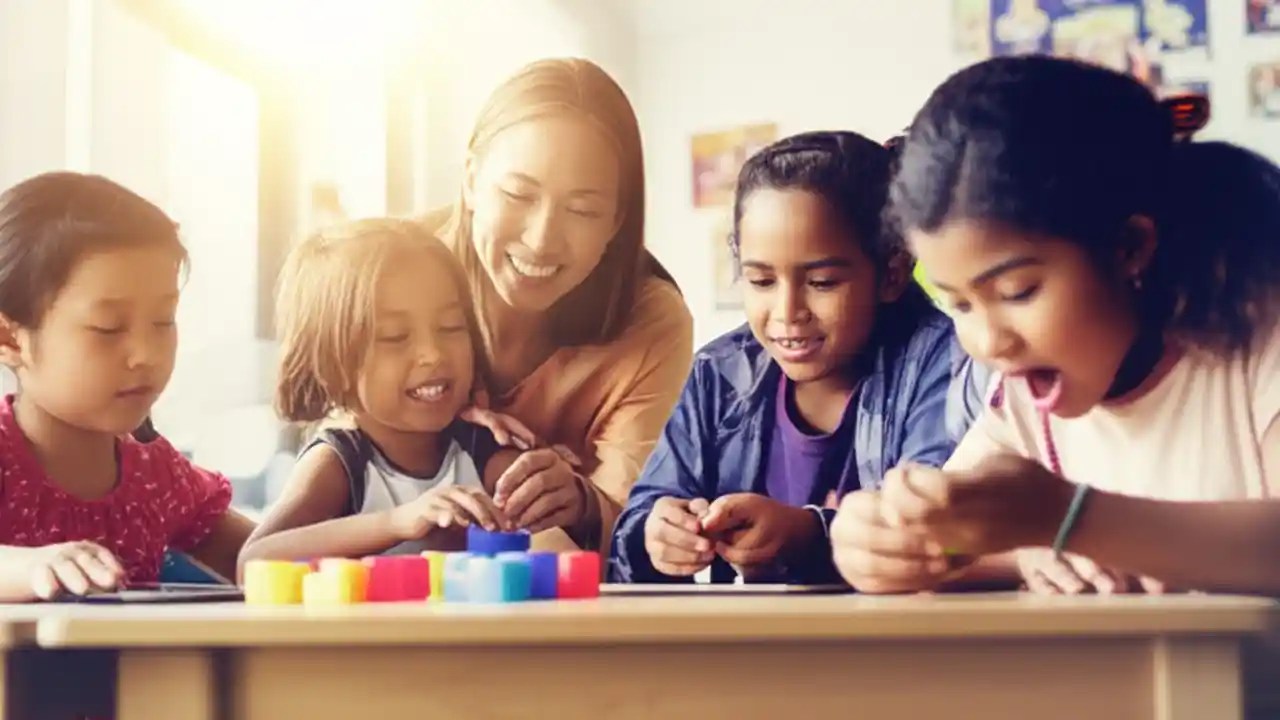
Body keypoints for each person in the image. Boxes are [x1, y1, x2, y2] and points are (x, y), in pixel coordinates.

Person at [830, 55, 1280, 597]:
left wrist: (1068, 519)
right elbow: (954, 535)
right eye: (959, 306)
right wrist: (878, 544)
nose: (989, 342)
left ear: (1129, 248)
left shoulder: (1259, 337)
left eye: (1017, 292)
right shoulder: (1023, 399)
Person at [610, 131, 958, 584]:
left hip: (895, 652)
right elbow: (640, 521)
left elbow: (936, 534)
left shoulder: (942, 366)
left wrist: (809, 534)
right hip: (745, 653)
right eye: (760, 281)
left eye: (822, 282)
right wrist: (654, 535)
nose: (787, 312)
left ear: (892, 272)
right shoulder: (720, 375)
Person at [424, 58, 694, 556]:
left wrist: (583, 502)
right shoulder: (397, 270)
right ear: (470, 180)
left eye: (582, 210)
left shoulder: (651, 318)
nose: (542, 240)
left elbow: (638, 514)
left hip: (557, 605)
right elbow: (338, 451)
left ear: (616, 220)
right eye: (517, 193)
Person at [0, 172, 253, 601]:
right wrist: (28, 567)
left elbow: (267, 556)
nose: (145, 354)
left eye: (163, 322)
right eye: (108, 328)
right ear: (11, 340)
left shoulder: (158, 476)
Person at [239, 220, 529, 565]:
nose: (432, 354)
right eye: (394, 336)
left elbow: (554, 532)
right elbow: (254, 561)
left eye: (451, 327)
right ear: (334, 365)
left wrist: (563, 490)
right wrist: (396, 522)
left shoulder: (481, 446)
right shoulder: (341, 463)